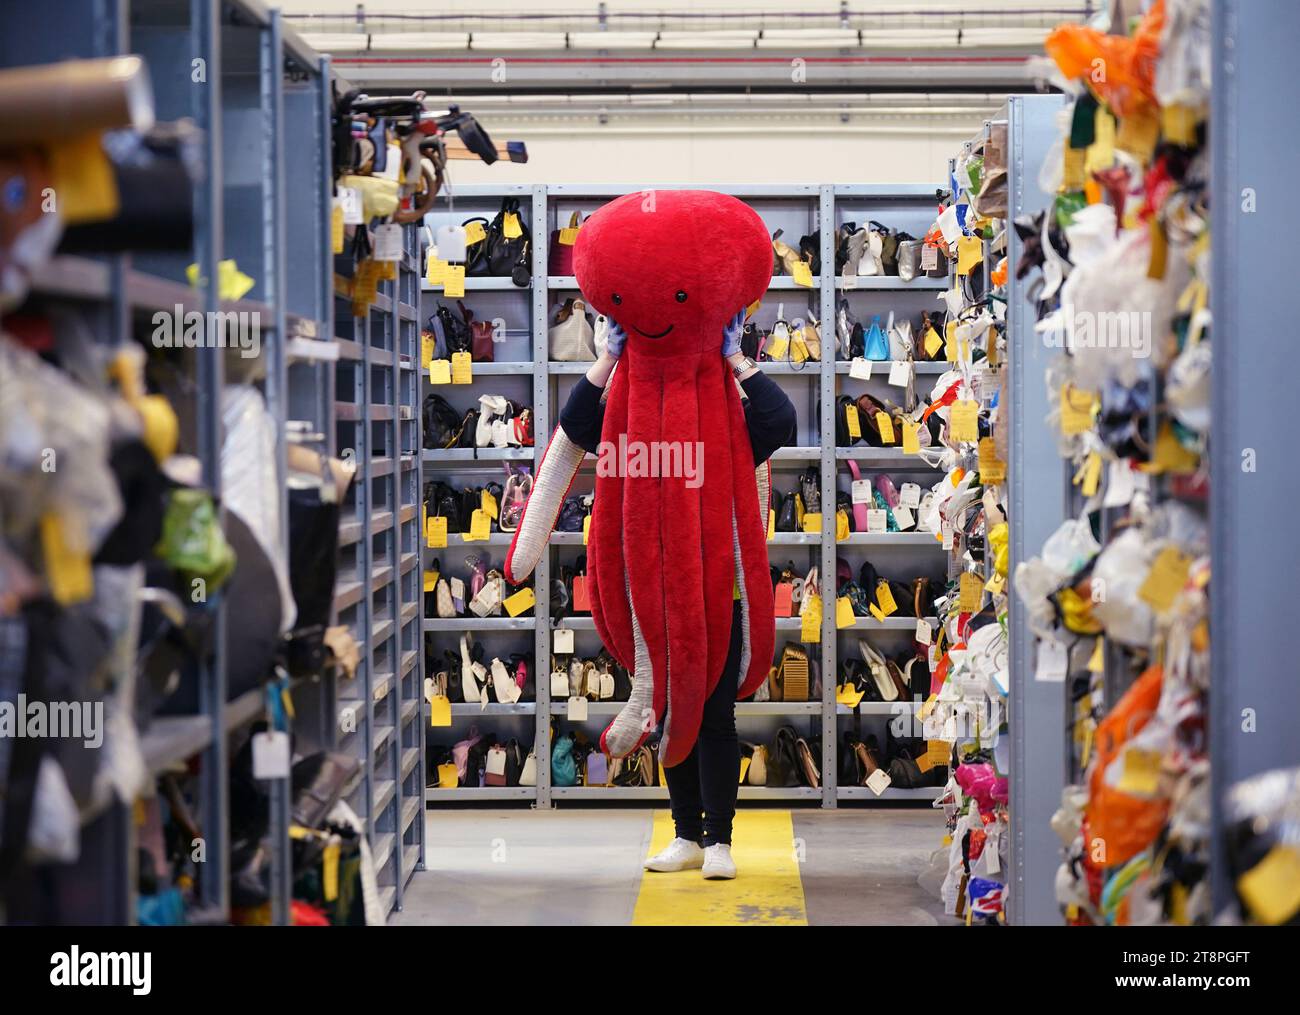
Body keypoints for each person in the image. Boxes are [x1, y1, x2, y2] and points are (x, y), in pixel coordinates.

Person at [558, 310, 796, 879]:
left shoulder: (729, 416)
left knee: (712, 714)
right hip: (656, 598)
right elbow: (575, 424)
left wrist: (735, 358)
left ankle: (719, 841)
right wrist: (607, 358)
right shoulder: (634, 414)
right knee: (669, 713)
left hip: (720, 595)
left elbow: (779, 419)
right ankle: (686, 834)